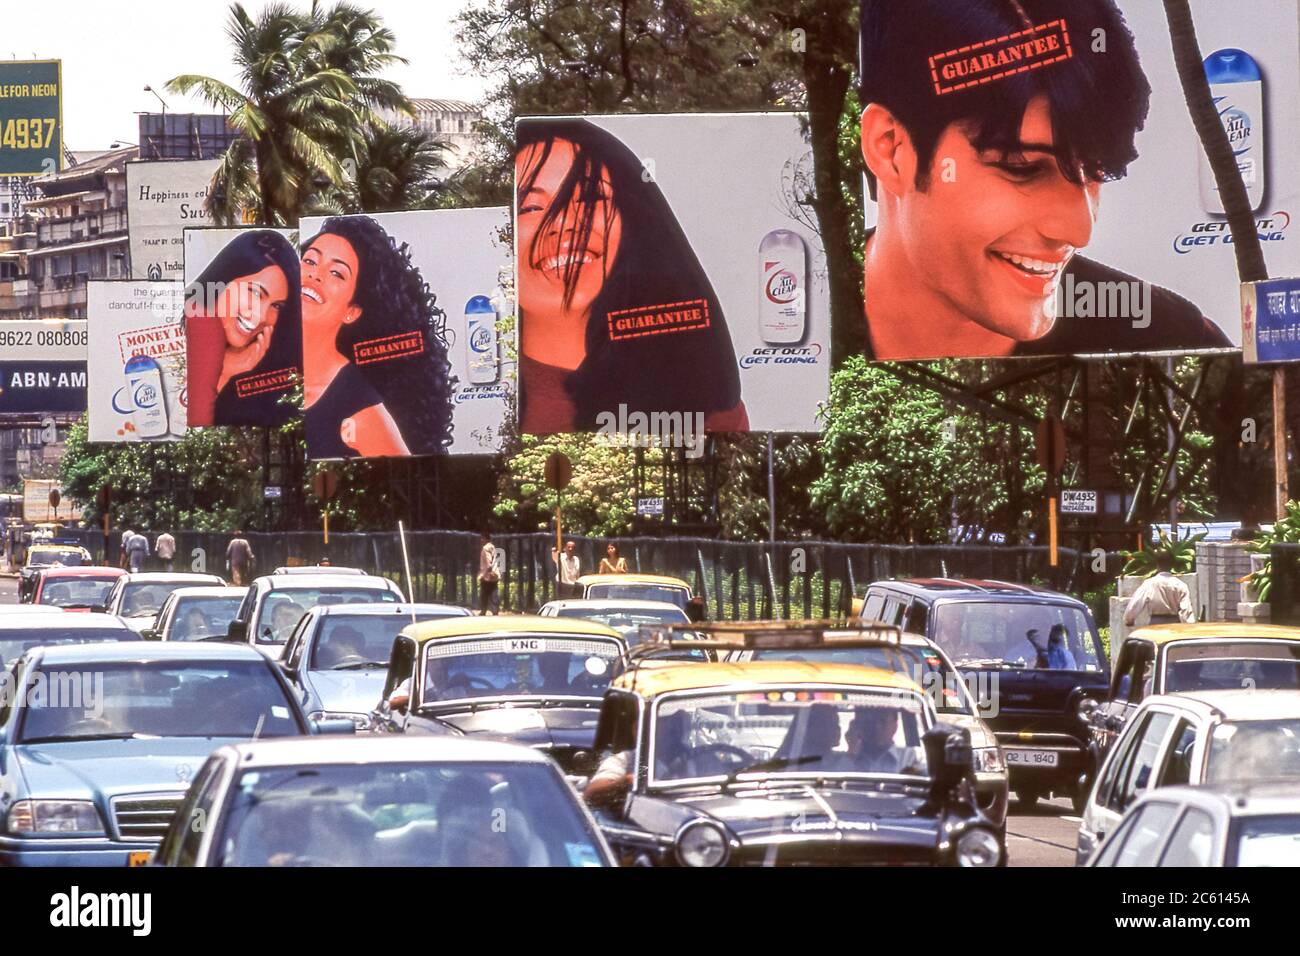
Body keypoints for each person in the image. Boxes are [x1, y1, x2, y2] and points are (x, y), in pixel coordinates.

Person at [858, 0, 1232, 360]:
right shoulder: (810, 318)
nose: (1079, 231)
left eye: (1095, 171)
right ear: (890, 149)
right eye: (1022, 168)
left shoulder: (1171, 338)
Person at [515, 119, 749, 434]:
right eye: (530, 207)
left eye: (589, 198)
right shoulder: (479, 399)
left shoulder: (700, 401)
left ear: (630, 222)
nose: (565, 224)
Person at [300, 217, 455, 458]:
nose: (315, 275)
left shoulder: (360, 410)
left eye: (336, 273)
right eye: (310, 260)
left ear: (352, 312)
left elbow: (408, 479)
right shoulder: (271, 369)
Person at [184, 230, 302, 427]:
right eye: (255, 292)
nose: (262, 316)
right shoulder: (175, 338)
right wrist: (224, 372)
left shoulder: (278, 373)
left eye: (277, 306)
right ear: (222, 280)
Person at [834, 707, 924, 775]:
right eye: (870, 722)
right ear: (858, 725)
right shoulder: (840, 759)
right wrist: (852, 749)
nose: (877, 727)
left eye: (883, 721)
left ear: (895, 725)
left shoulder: (912, 758)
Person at [1124, 551, 1196, 627]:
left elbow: (1136, 603)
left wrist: (1129, 620)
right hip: (1174, 628)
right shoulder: (1181, 585)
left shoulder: (1149, 584)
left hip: (1155, 627)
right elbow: (1186, 610)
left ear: (1157, 565)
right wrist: (1190, 627)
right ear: (1172, 566)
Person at [477, 532, 500, 616]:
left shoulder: (485, 548)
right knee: (493, 592)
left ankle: (483, 611)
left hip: (487, 575)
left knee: (484, 594)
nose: (481, 540)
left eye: (482, 538)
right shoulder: (493, 547)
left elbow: (488, 563)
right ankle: (495, 610)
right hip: (495, 574)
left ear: (486, 539)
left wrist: (483, 575)